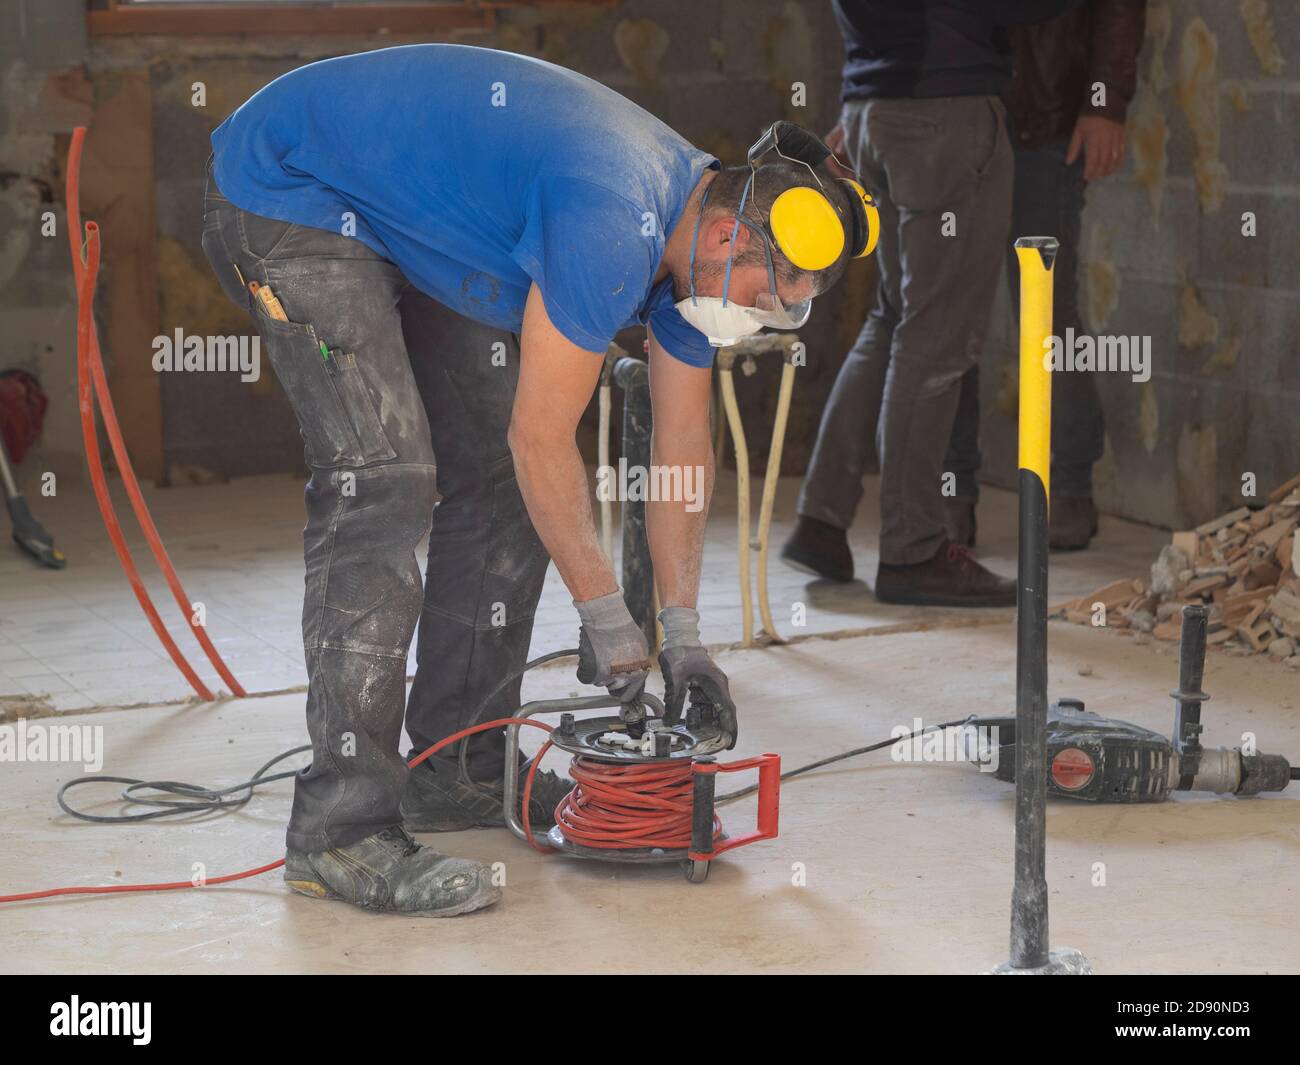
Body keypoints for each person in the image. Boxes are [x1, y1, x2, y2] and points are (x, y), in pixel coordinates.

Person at [203, 44, 871, 916]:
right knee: (387, 479)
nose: (755, 315)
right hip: (291, 189)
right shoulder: (614, 212)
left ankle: (461, 770)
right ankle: (339, 830)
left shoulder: (691, 262)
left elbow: (681, 453)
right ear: (725, 234)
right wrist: (604, 613)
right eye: (762, 290)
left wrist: (682, 635)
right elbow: (542, 438)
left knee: (498, 482)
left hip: (400, 218)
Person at [782, 0, 1075, 606]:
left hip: (873, 109)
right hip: (943, 112)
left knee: (895, 318)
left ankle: (823, 518)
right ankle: (913, 550)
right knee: (935, 337)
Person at [944, 0, 1146, 551]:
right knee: (950, 313)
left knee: (1050, 313)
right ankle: (953, 495)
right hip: (954, 122)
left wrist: (1106, 103)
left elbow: (1117, 8)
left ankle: (1073, 484)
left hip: (1046, 120)